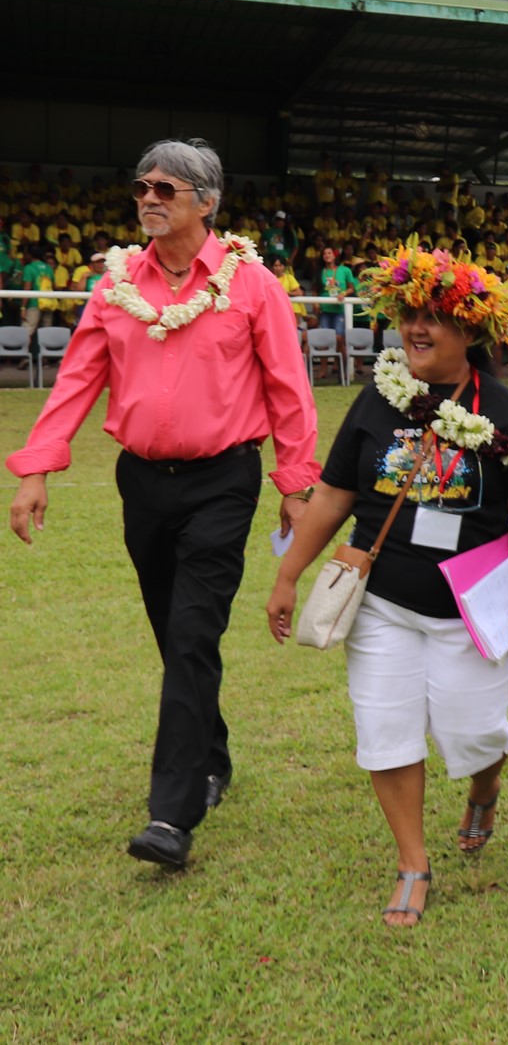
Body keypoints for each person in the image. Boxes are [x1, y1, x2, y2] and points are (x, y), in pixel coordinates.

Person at [6, 139, 319, 868]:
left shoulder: (253, 285)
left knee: (189, 633)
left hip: (223, 481)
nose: (148, 196)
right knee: (172, 630)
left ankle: (171, 817)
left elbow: (288, 388)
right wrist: (36, 468)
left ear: (206, 203)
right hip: (142, 483)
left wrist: (296, 485)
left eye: (166, 188)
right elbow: (78, 377)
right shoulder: (116, 283)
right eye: (142, 185)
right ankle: (212, 755)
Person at [266, 249, 508, 925]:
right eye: (410, 316)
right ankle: (412, 861)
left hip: (471, 611)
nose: (417, 329)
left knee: (478, 736)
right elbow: (336, 494)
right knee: (385, 729)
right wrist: (288, 574)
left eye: (435, 318)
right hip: (382, 606)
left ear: (470, 330)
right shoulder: (378, 398)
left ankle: (484, 788)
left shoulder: (507, 407)